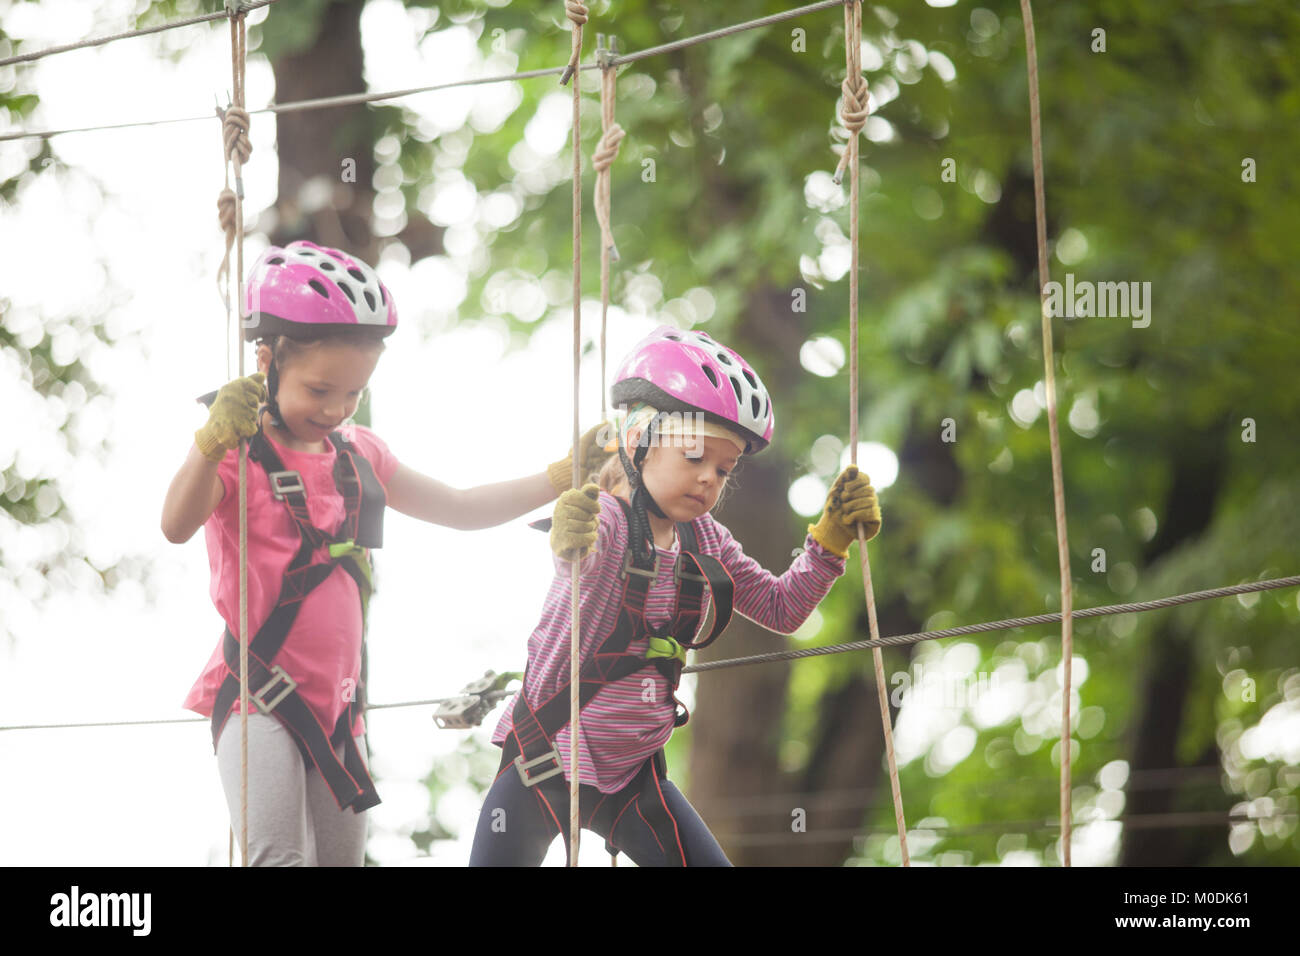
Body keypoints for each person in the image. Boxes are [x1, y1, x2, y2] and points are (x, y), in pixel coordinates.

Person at [161, 240, 609, 866]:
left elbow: (459, 506)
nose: (335, 409)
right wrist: (209, 443)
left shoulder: (359, 454)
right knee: (277, 859)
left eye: (351, 393)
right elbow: (176, 524)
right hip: (256, 696)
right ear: (265, 359)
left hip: (342, 712)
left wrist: (560, 476)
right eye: (319, 389)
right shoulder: (236, 452)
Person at [469, 325, 881, 866]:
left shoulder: (705, 539)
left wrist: (829, 543)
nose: (710, 479)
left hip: (631, 776)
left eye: (723, 469)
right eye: (694, 458)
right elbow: (584, 566)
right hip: (542, 759)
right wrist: (570, 540)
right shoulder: (608, 520)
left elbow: (783, 609)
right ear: (638, 438)